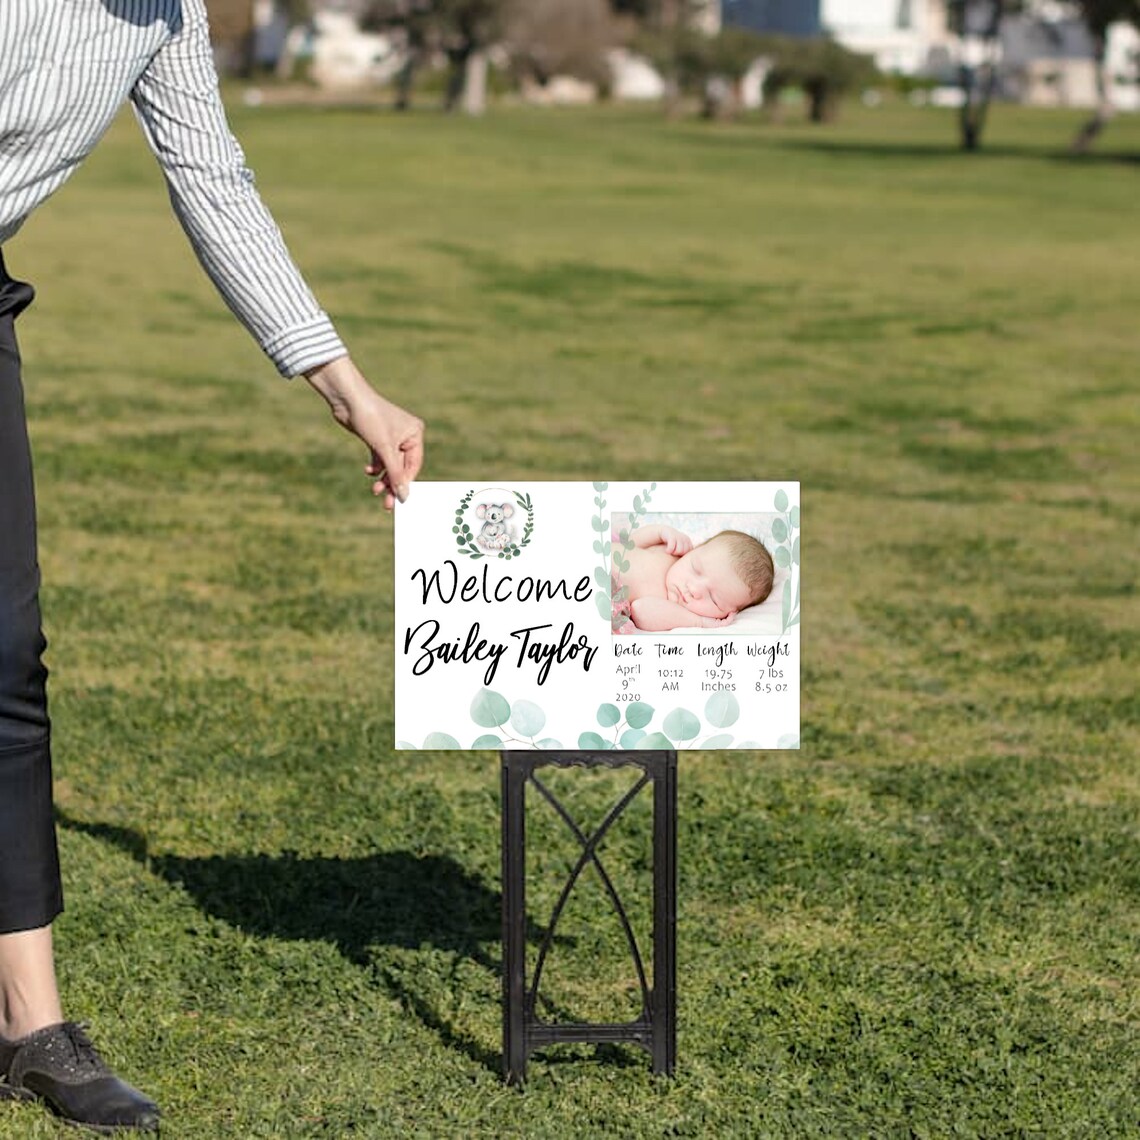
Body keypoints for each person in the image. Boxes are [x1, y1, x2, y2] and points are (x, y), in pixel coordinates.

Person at [1, 1, 423, 1131]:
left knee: (3, 657)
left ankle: (28, 1026)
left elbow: (213, 181)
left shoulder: (168, 17)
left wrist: (349, 389)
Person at [618, 525, 773, 632]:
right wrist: (661, 531)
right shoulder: (672, 551)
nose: (694, 589)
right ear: (695, 549)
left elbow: (639, 610)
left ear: (727, 614)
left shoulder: (673, 609)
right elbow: (628, 544)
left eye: (713, 599)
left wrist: (699, 622)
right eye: (696, 569)